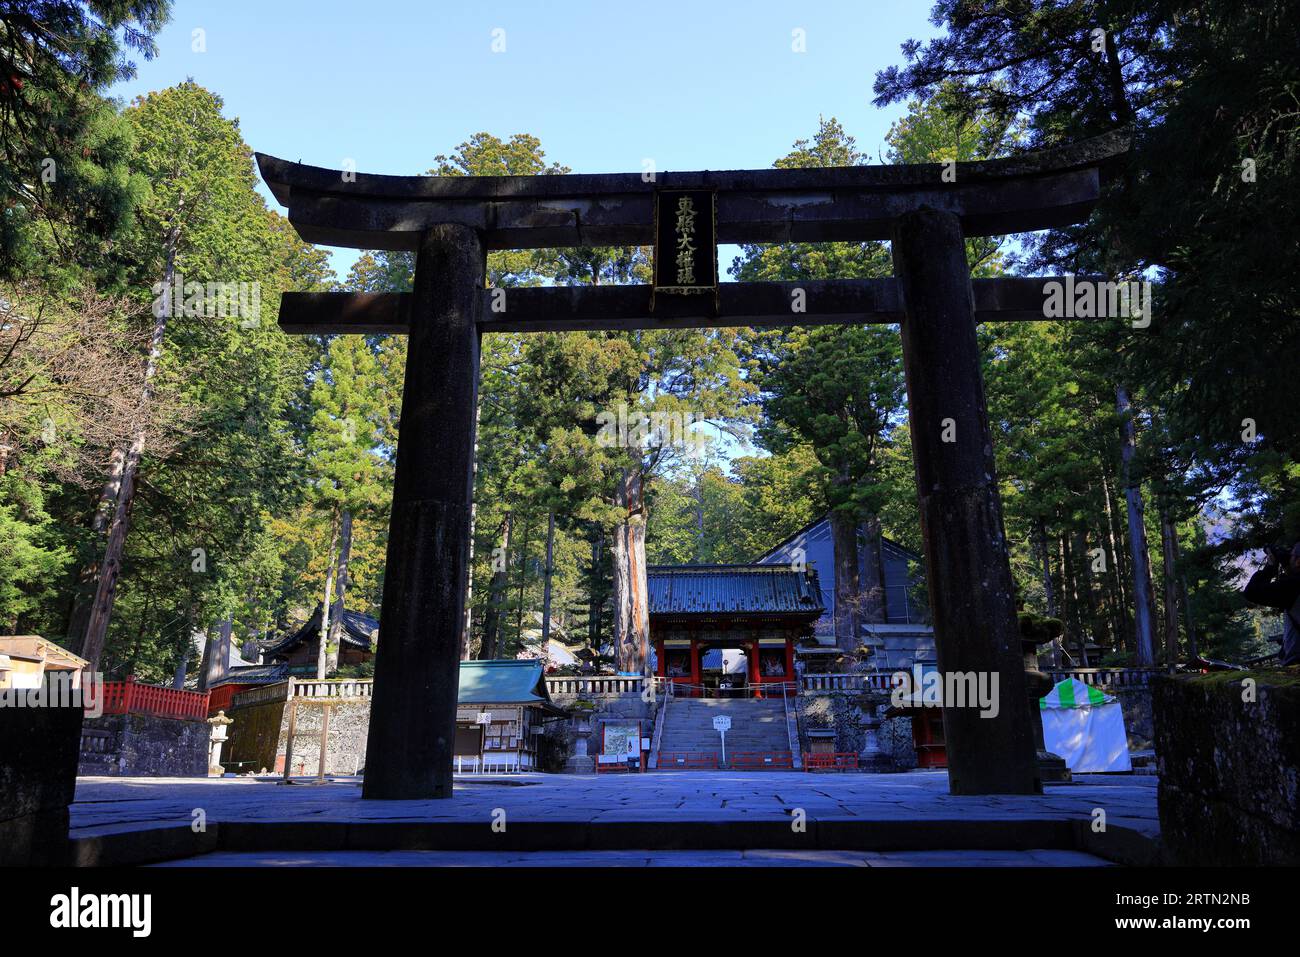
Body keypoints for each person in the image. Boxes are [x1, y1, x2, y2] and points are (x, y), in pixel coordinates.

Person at [1243, 542, 1300, 666]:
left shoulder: (1293, 587)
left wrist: (1271, 567)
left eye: (1292, 555)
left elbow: (1251, 592)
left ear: (1298, 561)